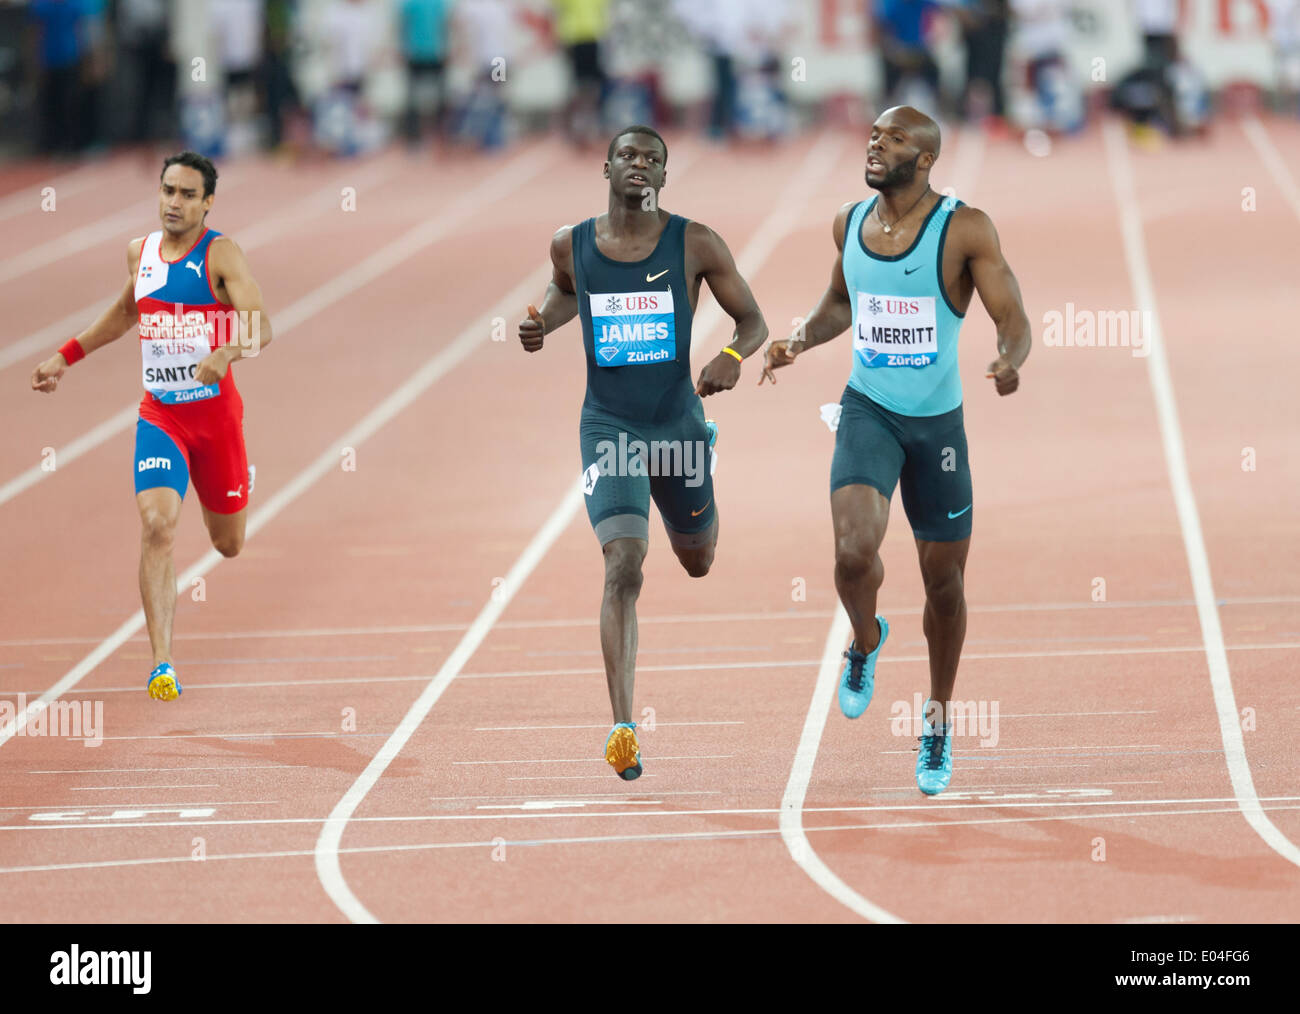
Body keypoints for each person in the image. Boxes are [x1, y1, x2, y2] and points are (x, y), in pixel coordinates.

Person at [760, 107, 1031, 795]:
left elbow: (1013, 317)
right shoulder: (848, 222)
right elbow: (840, 302)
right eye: (875, 135)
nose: (877, 144)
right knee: (853, 553)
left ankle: (936, 719)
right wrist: (799, 338)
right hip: (868, 412)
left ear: (927, 158)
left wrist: (1009, 359)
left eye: (896, 138)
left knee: (944, 585)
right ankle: (865, 641)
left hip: (937, 429)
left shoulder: (964, 228)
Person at [518, 126, 768, 779]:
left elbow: (754, 321)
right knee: (623, 566)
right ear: (606, 165)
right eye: (630, 154)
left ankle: (698, 475)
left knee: (699, 561)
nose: (641, 164)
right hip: (612, 430)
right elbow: (567, 292)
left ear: (663, 175)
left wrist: (734, 356)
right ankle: (623, 727)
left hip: (678, 427)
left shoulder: (695, 242)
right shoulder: (569, 244)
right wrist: (543, 320)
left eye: (654, 158)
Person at [30, 152, 274, 703]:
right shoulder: (139, 253)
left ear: (207, 203)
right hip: (161, 417)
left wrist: (229, 352)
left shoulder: (221, 256)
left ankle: (238, 482)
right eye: (168, 191)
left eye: (188, 194)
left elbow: (263, 326)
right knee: (158, 526)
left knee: (228, 544)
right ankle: (162, 664)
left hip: (216, 421)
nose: (174, 202)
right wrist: (66, 356)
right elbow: (124, 312)